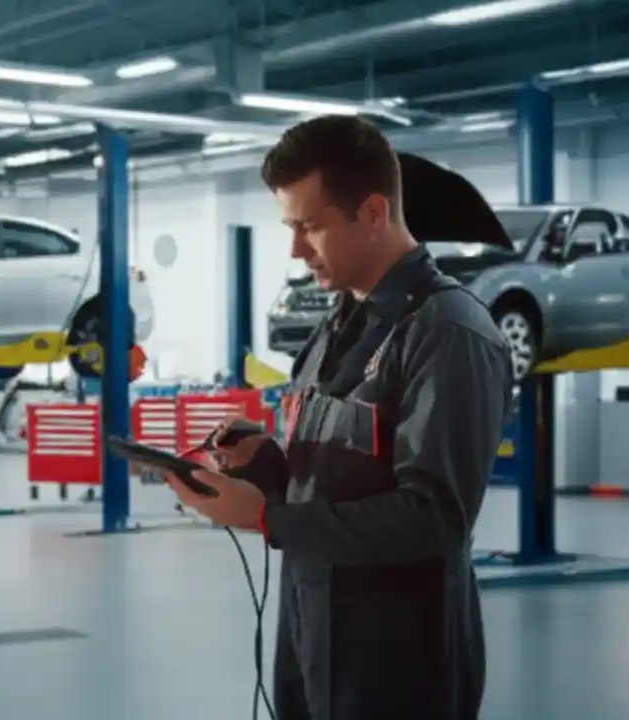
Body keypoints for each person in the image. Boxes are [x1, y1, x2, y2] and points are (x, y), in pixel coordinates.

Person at [163, 115, 514, 720]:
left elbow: (434, 517)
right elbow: (333, 476)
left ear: (374, 213)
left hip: (398, 667)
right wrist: (265, 464)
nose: (296, 250)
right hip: (309, 641)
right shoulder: (336, 327)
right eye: (289, 227)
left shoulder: (447, 332)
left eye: (310, 227)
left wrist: (270, 519)